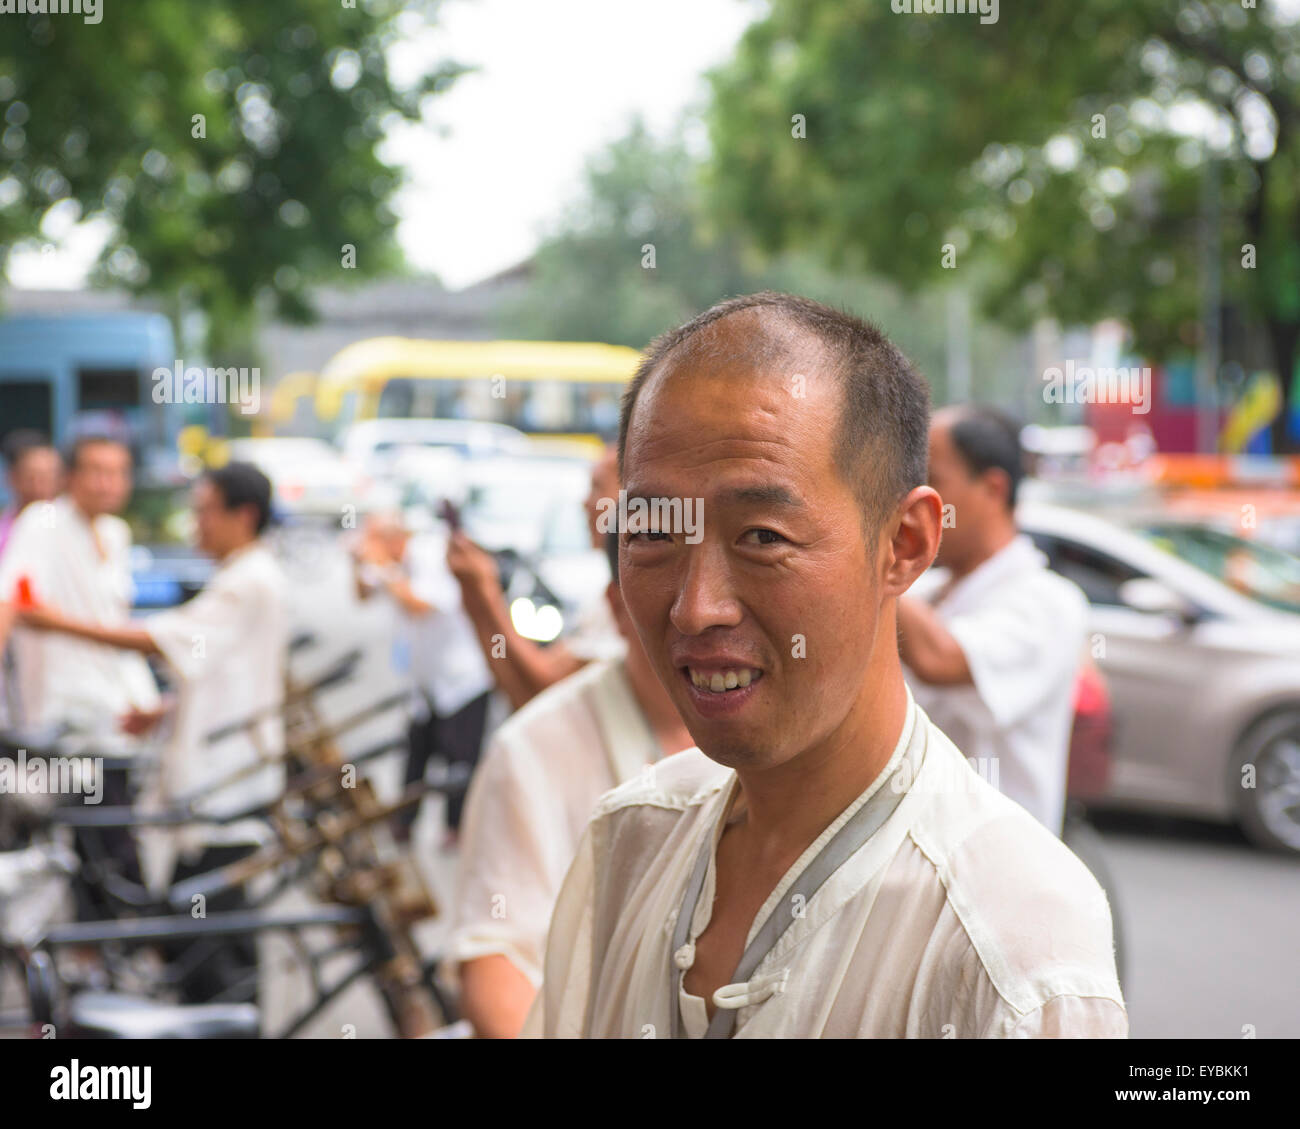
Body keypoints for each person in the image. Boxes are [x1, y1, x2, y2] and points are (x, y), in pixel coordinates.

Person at [525, 292, 1126, 1039]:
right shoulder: (633, 837)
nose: (695, 607)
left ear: (904, 544)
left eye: (764, 535)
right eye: (652, 529)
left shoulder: (1013, 950)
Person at [17, 462, 288, 1004]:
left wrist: (50, 622)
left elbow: (161, 639)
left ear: (244, 515)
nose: (197, 526)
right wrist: (165, 709)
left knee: (215, 927)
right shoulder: (243, 576)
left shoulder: (248, 581)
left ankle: (223, 1019)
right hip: (216, 776)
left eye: (206, 512)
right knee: (202, 917)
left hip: (225, 779)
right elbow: (217, 665)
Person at [446, 532, 694, 1038]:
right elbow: (498, 956)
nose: (707, 611)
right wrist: (479, 597)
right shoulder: (534, 748)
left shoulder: (799, 745)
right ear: (618, 605)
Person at [898, 405, 1089, 835]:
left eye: (932, 479)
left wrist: (863, 547)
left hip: (998, 875)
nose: (914, 500)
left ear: (993, 488)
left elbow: (940, 659)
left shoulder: (1048, 602)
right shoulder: (927, 595)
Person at [0, 436, 161, 734]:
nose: (107, 484)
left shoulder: (115, 532)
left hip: (119, 707)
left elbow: (113, 619)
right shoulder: (43, 520)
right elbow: (8, 601)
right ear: (69, 476)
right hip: (61, 714)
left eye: (117, 473)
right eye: (97, 472)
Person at [447, 446, 626, 711]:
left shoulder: (624, 599)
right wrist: (477, 596)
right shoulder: (608, 594)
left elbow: (542, 695)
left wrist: (484, 595)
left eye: (597, 488)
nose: (585, 502)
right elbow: (517, 689)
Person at [352, 510, 493, 844]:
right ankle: (404, 824)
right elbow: (361, 594)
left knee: (460, 760)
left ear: (393, 539)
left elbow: (419, 605)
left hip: (462, 678)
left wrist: (380, 565)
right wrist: (356, 563)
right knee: (416, 752)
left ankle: (456, 830)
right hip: (426, 683)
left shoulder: (429, 557)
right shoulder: (392, 564)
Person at [0, 430, 62, 560]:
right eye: (31, 477)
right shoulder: (4, 534)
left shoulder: (73, 526)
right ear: (12, 477)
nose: (39, 487)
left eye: (47, 477)